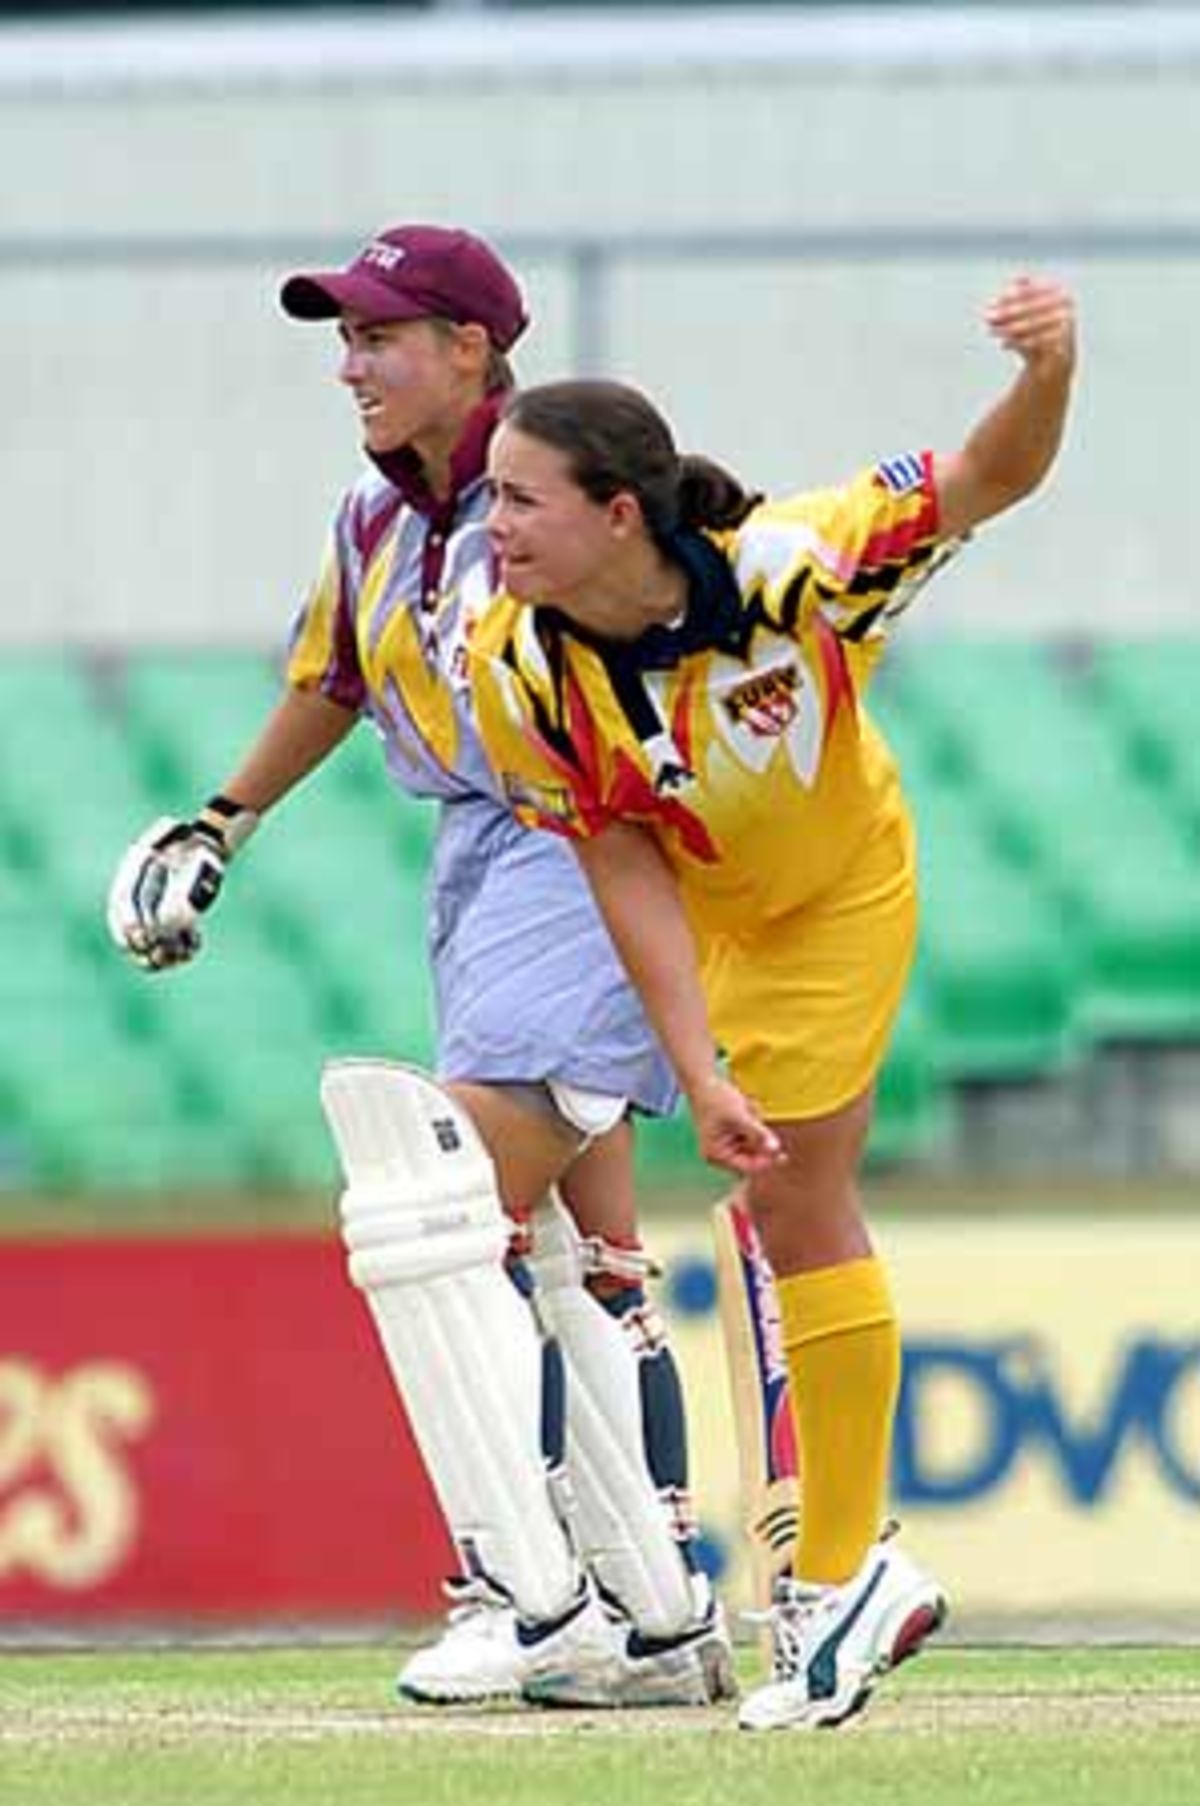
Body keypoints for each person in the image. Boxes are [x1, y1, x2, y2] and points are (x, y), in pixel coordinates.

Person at [105, 223, 733, 1710]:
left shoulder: (562, 506)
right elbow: (334, 676)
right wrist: (224, 821)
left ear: (472, 347)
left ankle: (521, 1589)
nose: (350, 363)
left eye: (380, 335)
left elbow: (695, 634)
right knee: (580, 1257)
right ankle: (659, 1616)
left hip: (579, 842)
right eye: (345, 336)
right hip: (473, 867)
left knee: (436, 1203)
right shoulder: (369, 522)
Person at [469, 274, 1077, 1730]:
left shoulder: (804, 561)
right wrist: (697, 1061)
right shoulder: (519, 667)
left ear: (622, 512)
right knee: (764, 1200)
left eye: (519, 501)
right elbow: (619, 855)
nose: (492, 532)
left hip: (838, 886)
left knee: (803, 1197)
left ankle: (852, 1574)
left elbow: (992, 476)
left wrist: (1051, 368)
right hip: (711, 906)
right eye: (489, 500)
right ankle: (838, 1576)